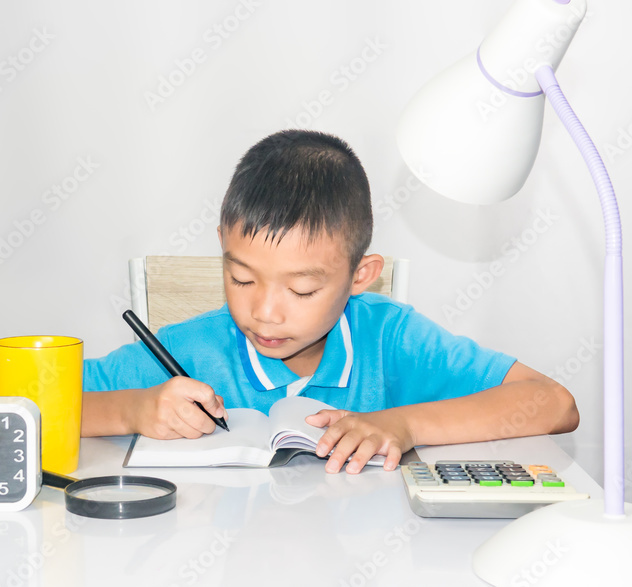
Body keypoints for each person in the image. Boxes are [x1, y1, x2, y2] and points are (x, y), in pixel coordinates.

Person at [81, 130, 578, 473]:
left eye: (301, 290)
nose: (265, 312)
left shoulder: (392, 337)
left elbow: (554, 403)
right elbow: (30, 408)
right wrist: (131, 410)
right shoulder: (189, 349)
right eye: (241, 278)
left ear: (361, 276)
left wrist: (404, 424)